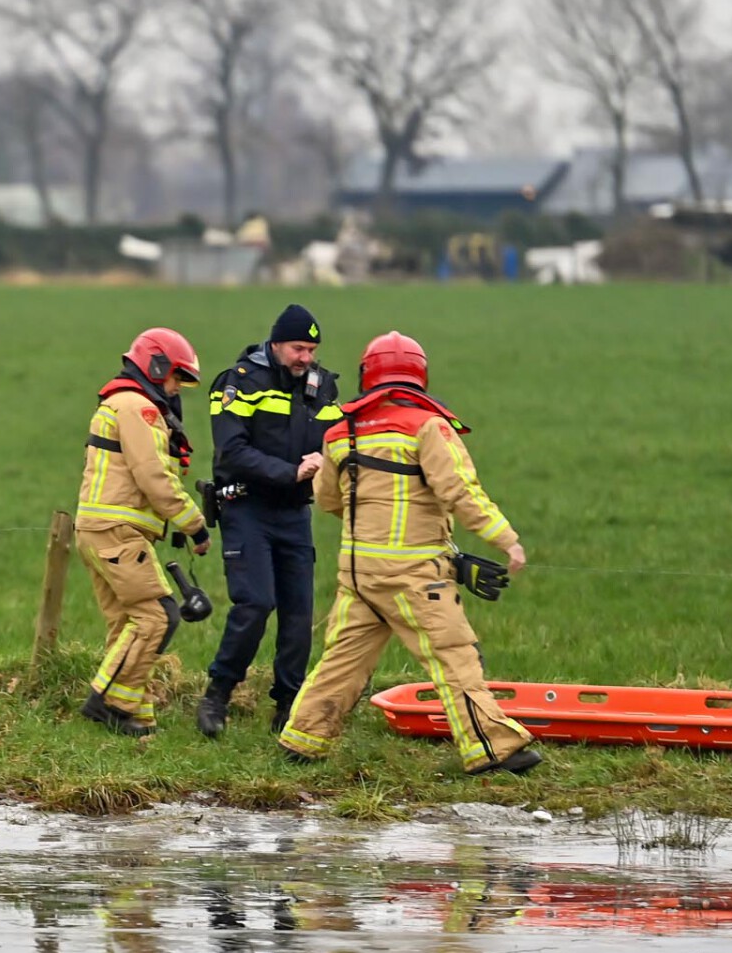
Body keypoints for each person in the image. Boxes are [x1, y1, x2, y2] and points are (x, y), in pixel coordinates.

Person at [278, 331, 540, 775]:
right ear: (419, 376)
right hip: (415, 574)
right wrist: (505, 538)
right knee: (454, 657)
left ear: (368, 376)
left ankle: (303, 739)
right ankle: (492, 747)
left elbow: (326, 498)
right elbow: (460, 490)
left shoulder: (342, 432)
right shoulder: (427, 427)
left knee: (343, 659)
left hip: (359, 573)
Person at [197, 303, 342, 739]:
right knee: (256, 604)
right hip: (248, 509)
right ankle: (217, 694)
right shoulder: (239, 383)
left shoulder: (323, 387)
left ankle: (289, 706)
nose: (306, 358)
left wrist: (328, 460)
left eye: (312, 350)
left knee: (299, 613)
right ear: (276, 343)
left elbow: (334, 439)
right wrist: (290, 472)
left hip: (294, 513)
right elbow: (231, 451)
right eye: (298, 348)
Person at [75, 329, 209, 737]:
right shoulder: (139, 408)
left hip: (100, 530)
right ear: (154, 367)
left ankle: (137, 717)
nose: (176, 388)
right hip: (119, 531)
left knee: (127, 627)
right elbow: (153, 476)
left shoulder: (120, 402)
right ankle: (106, 702)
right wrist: (193, 523)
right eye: (174, 377)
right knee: (157, 618)